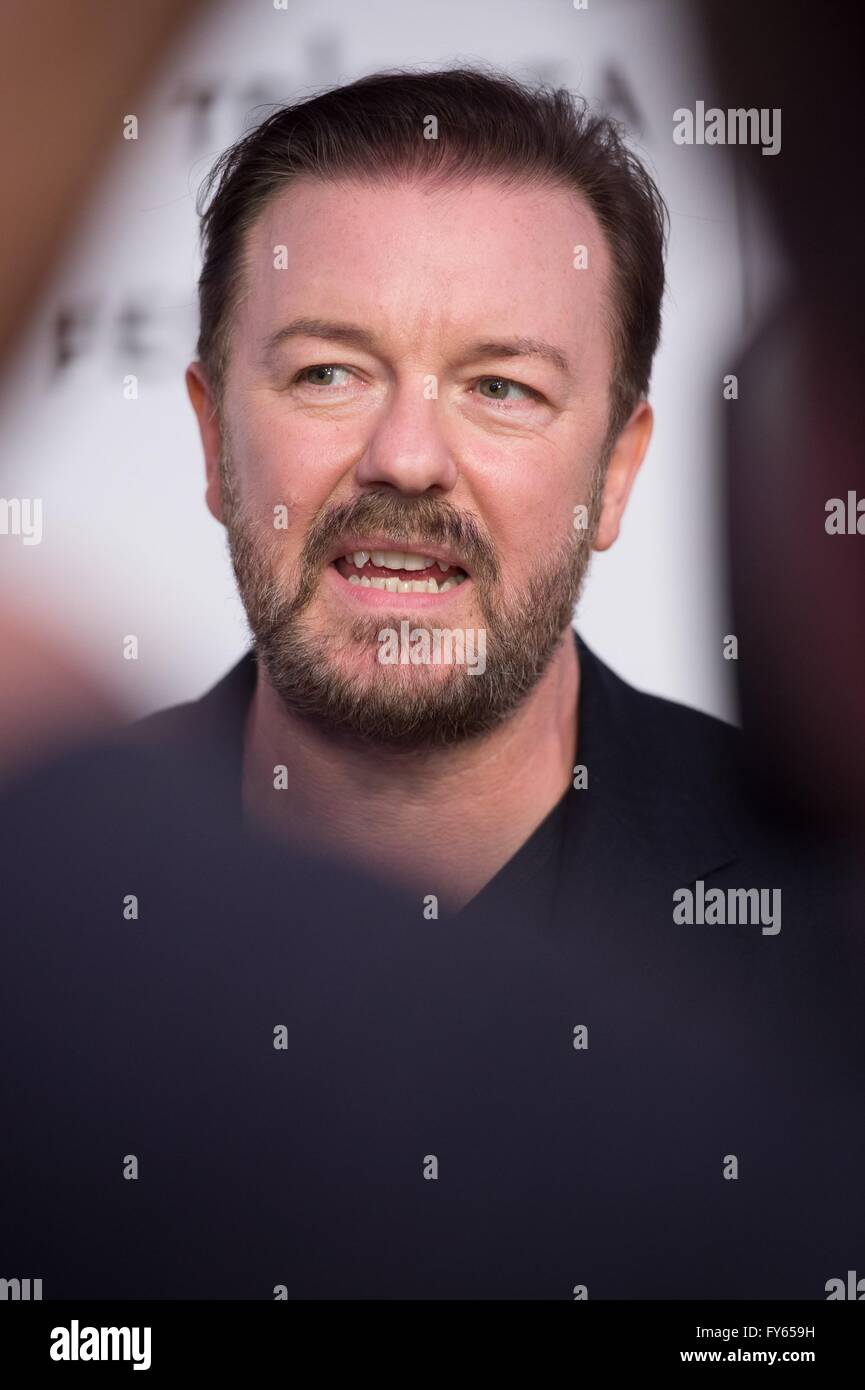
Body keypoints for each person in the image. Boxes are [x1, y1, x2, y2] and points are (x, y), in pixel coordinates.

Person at [1, 68, 861, 1301]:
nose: (406, 458)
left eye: (500, 388)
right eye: (327, 374)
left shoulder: (817, 945)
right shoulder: (46, 908)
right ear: (210, 440)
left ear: (615, 473)